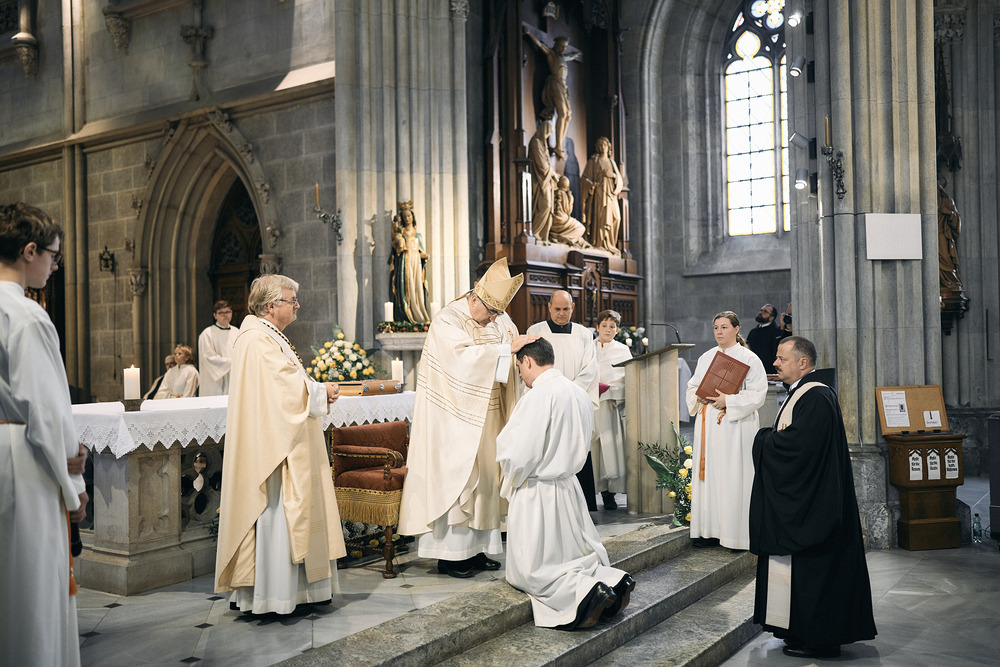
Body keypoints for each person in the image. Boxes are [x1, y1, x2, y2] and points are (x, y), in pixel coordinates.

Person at [215, 274, 346, 614]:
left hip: (285, 440)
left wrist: (314, 389)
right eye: (292, 301)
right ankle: (277, 595)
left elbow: (288, 383)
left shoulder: (269, 336)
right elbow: (281, 390)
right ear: (272, 306)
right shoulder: (256, 339)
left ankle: (301, 592)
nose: (297, 306)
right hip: (273, 453)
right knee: (277, 513)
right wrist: (320, 391)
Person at [399, 257, 536, 579]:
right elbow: (458, 361)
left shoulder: (499, 320)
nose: (493, 320)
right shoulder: (448, 320)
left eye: (497, 314)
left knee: (487, 483)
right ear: (475, 298)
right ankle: (452, 556)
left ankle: (477, 550)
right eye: (490, 312)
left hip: (490, 416)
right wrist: (505, 351)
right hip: (455, 418)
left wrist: (515, 352)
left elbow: (510, 346)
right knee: (460, 482)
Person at [750, 336, 877, 659]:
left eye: (781, 358)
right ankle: (801, 631)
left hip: (814, 507)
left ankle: (821, 638)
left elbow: (799, 449)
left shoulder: (816, 397)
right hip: (810, 499)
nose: (775, 363)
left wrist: (764, 440)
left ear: (803, 363)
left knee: (815, 568)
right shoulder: (807, 394)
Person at [0, 202, 88, 666]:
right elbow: (48, 413)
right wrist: (75, 489)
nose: (54, 266)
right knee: (31, 595)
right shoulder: (27, 315)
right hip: (24, 463)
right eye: (53, 255)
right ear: (28, 250)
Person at [497, 338, 635, 629]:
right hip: (568, 487)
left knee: (533, 571)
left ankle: (584, 594)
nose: (520, 374)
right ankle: (611, 581)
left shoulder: (536, 396)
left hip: (538, 490)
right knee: (573, 557)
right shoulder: (577, 392)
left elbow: (520, 452)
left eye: (519, 367)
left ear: (528, 361)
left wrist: (511, 478)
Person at [685, 311, 767, 550]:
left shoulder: (750, 359)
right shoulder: (706, 357)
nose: (719, 332)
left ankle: (734, 536)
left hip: (734, 426)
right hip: (708, 424)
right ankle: (708, 531)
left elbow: (757, 394)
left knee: (734, 476)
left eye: (724, 327)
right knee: (710, 475)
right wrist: (698, 395)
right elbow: (692, 386)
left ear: (737, 329)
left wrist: (729, 401)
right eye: (716, 328)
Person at [527, 290, 600, 511]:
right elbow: (529, 365)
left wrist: (569, 392)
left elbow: (590, 369)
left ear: (573, 307)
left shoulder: (584, 334)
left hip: (575, 401)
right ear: (549, 307)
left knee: (578, 449)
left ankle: (583, 506)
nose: (561, 314)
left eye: (566, 309)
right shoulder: (535, 332)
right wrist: (552, 392)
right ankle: (550, 506)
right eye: (557, 309)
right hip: (545, 402)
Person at [592, 309, 631, 510]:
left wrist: (610, 389)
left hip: (610, 405)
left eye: (612, 326)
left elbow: (628, 379)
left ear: (617, 329)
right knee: (594, 449)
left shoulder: (622, 351)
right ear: (597, 327)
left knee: (610, 448)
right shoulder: (587, 348)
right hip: (590, 406)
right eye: (604, 326)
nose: (608, 330)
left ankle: (610, 493)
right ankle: (592, 491)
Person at [522, 28, 582, 160]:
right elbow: (540, 45)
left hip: (562, 85)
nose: (563, 49)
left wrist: (576, 56)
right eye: (561, 46)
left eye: (564, 47)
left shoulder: (562, 57)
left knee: (568, 115)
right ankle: (558, 146)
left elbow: (569, 57)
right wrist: (529, 33)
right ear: (556, 45)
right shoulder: (552, 54)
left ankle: (560, 144)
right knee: (562, 113)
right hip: (554, 84)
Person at [389, 200, 431, 323]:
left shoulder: (417, 235)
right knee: (407, 286)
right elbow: (395, 248)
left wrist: (424, 255)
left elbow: (420, 250)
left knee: (417, 285)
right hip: (405, 263)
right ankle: (407, 313)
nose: (407, 218)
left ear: (413, 216)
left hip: (416, 262)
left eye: (409, 215)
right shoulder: (400, 233)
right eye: (405, 216)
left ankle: (418, 311)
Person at [581, 137, 624, 254]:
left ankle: (610, 244)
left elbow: (619, 180)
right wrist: (592, 184)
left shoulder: (612, 162)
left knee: (617, 218)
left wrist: (613, 175)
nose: (602, 147)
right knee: (602, 218)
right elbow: (584, 179)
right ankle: (600, 243)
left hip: (611, 195)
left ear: (608, 147)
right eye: (599, 145)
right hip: (600, 193)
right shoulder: (594, 161)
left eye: (604, 145)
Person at [198, 300, 239, 396]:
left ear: (231, 313)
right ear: (215, 315)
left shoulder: (237, 332)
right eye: (221, 313)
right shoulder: (207, 334)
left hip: (233, 378)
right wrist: (233, 362)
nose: (225, 315)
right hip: (215, 383)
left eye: (228, 312)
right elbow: (208, 357)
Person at [528, 121, 557, 243]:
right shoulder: (535, 143)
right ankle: (535, 232)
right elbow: (542, 166)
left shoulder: (543, 144)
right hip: (540, 182)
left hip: (547, 182)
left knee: (549, 209)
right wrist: (553, 173)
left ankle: (543, 236)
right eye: (547, 131)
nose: (547, 135)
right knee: (545, 206)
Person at [550, 176, 590, 247]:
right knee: (581, 228)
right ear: (568, 185)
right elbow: (568, 212)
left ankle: (560, 237)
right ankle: (564, 238)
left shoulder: (552, 193)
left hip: (552, 221)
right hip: (562, 220)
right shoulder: (568, 196)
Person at [745, 303, 779, 374]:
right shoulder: (753, 331)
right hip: (753, 370)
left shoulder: (776, 331)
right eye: (761, 310)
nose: (761, 313)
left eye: (765, 311)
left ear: (771, 318)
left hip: (768, 371)